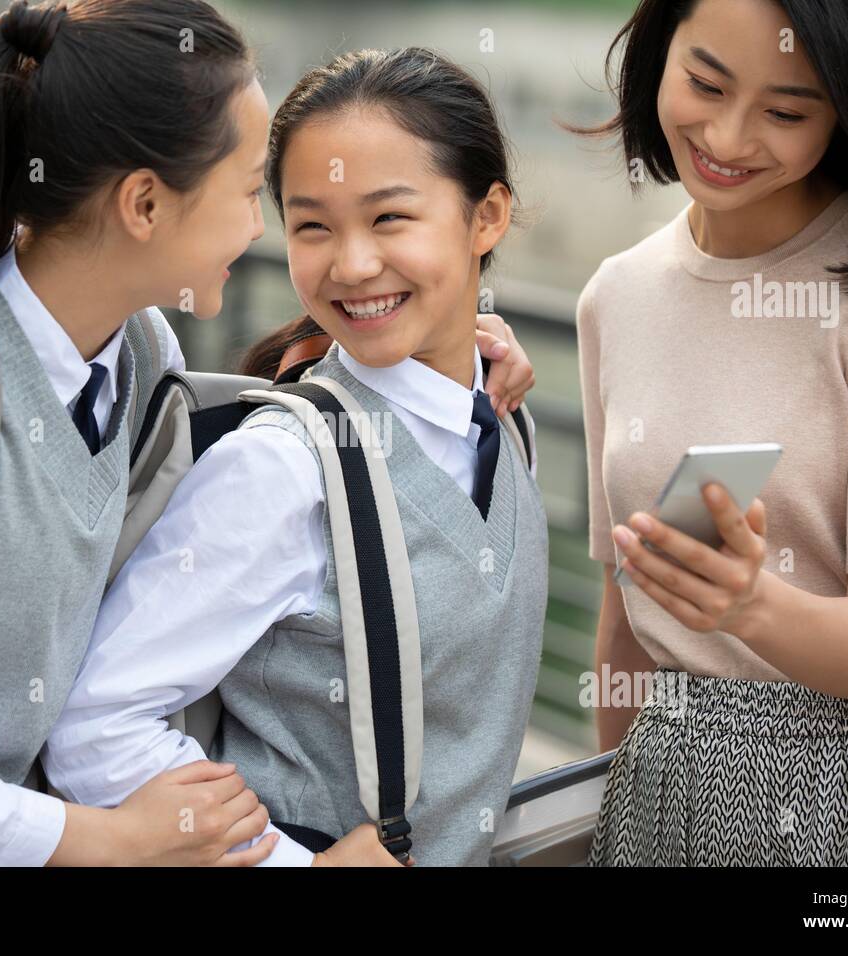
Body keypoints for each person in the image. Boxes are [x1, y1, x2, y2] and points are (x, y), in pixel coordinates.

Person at [45, 47, 550, 867]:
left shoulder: (501, 417)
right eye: (312, 226)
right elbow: (96, 729)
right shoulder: (280, 470)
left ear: (486, 217)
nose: (351, 265)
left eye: (390, 218)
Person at [573, 0, 848, 865]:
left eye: (787, 112)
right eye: (705, 83)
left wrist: (750, 604)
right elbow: (624, 610)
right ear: (660, 52)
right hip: (660, 785)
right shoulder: (615, 294)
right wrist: (600, 789)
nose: (727, 137)